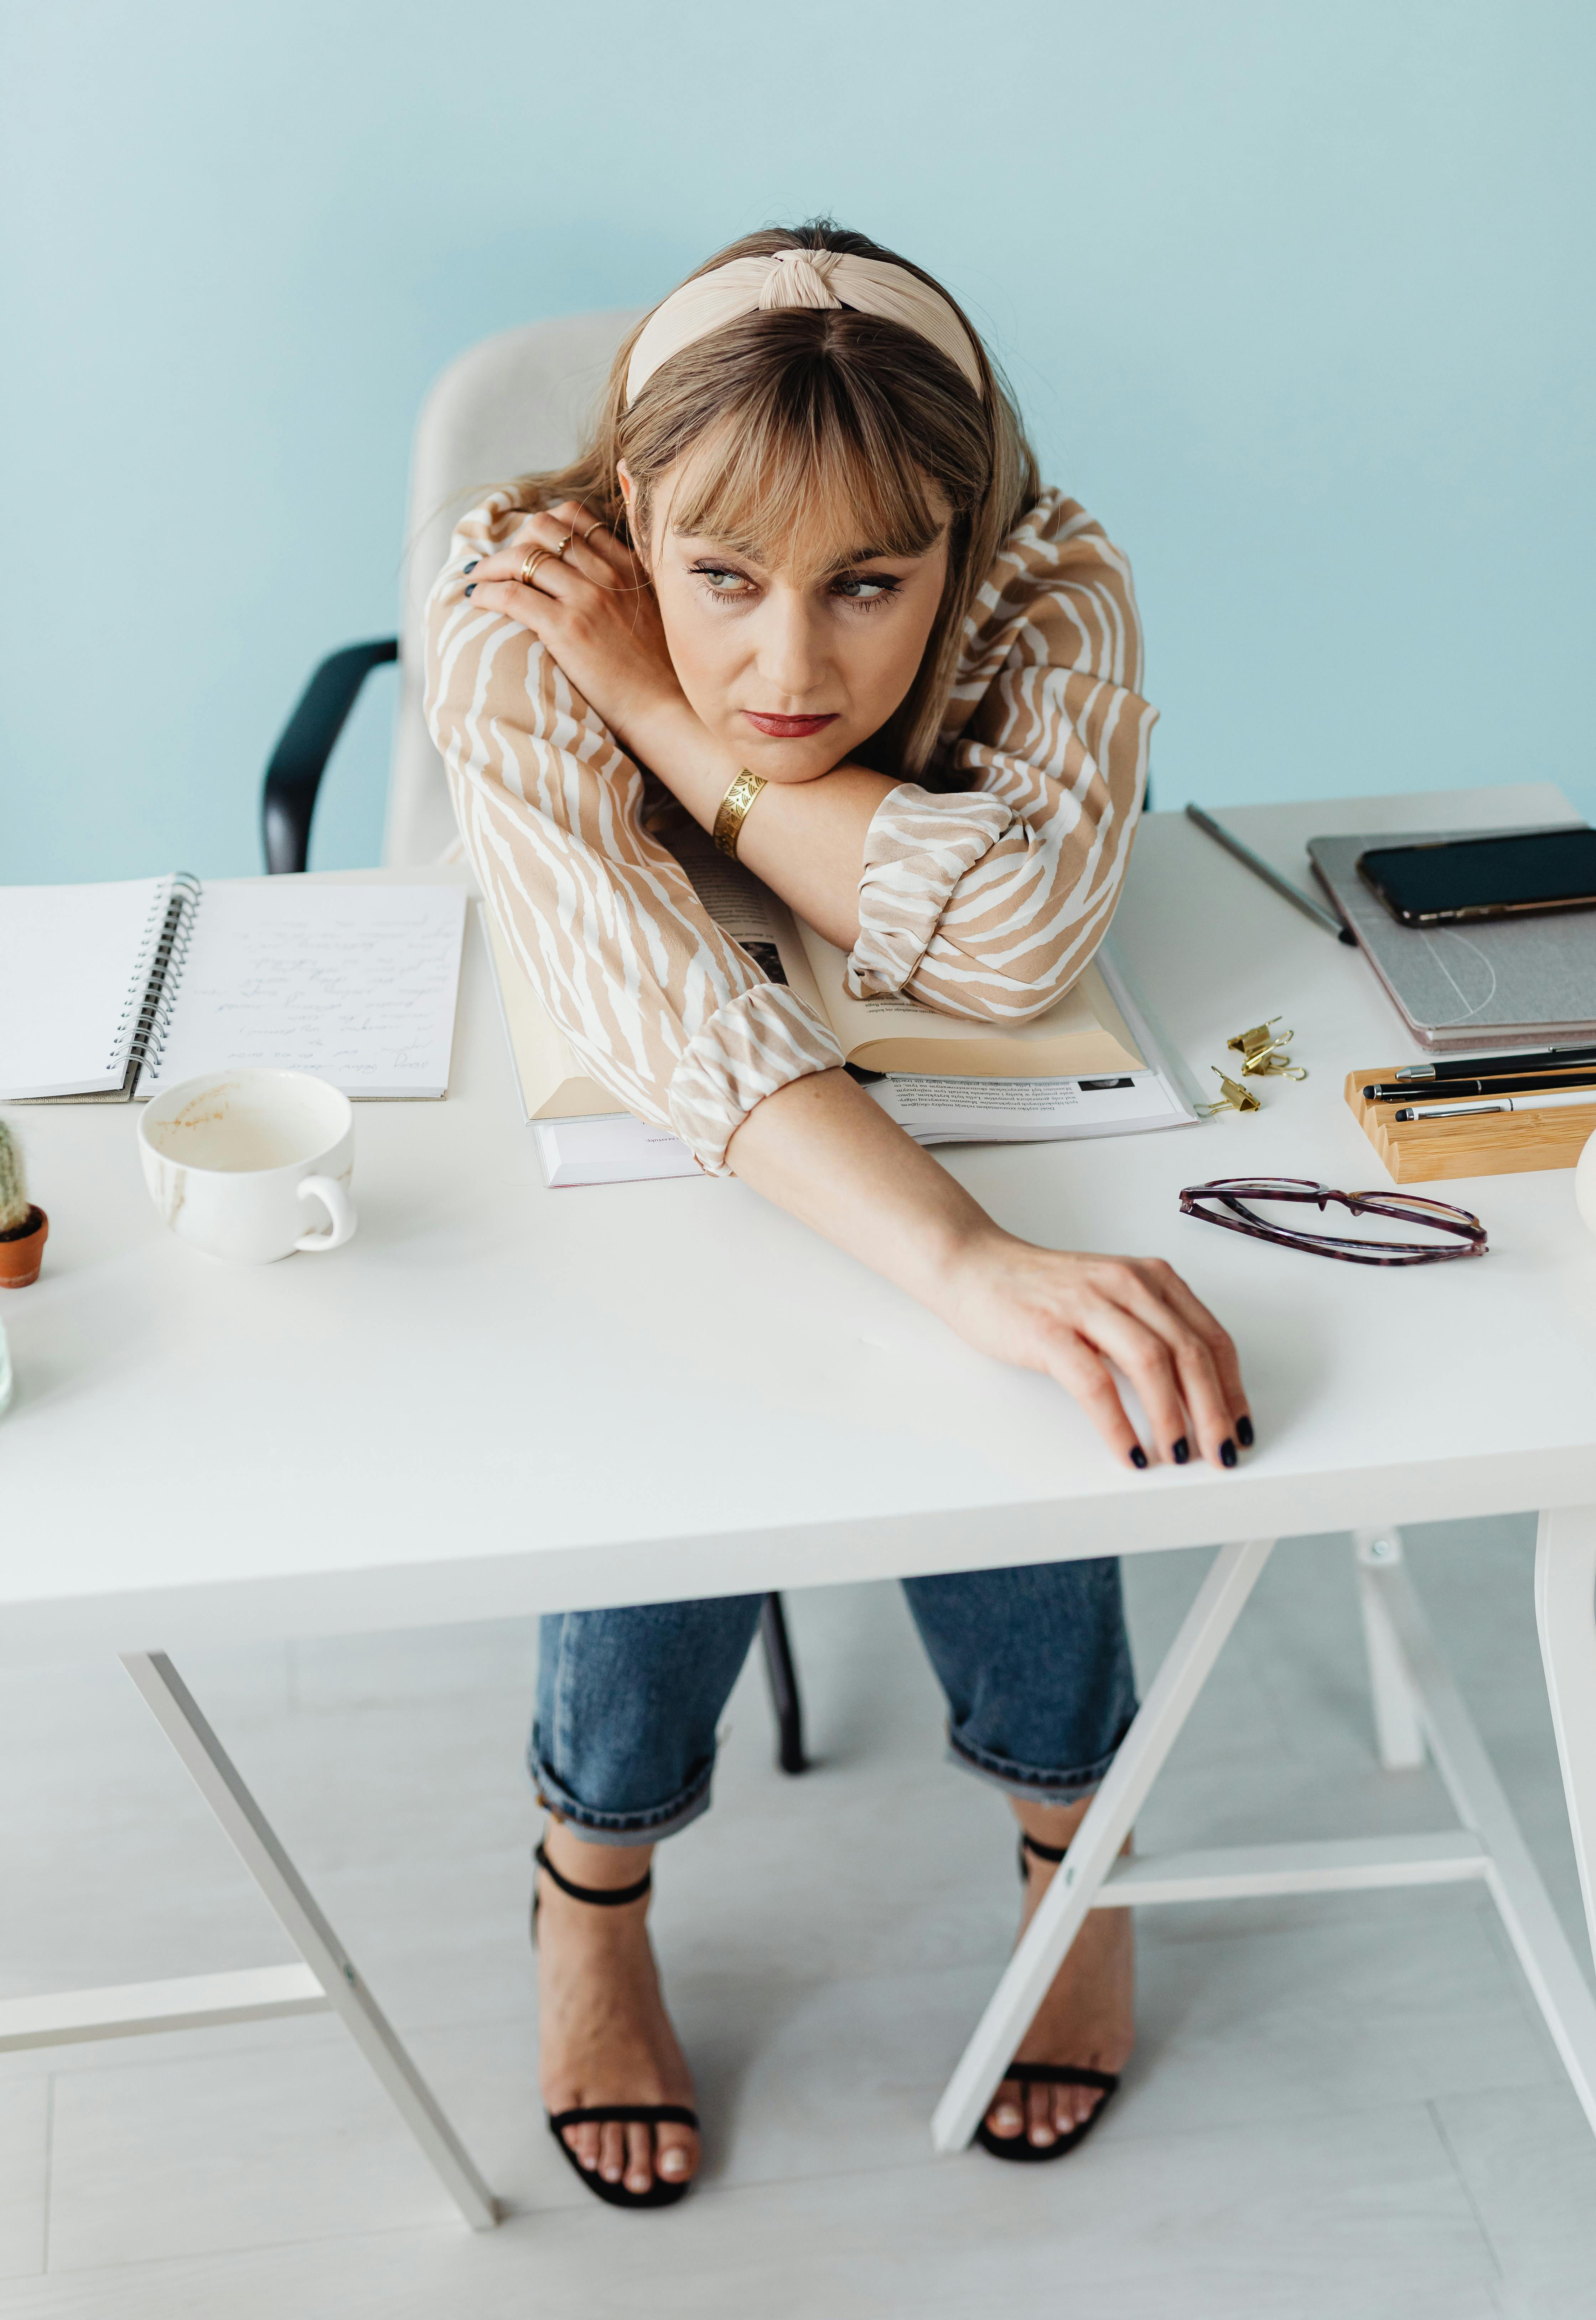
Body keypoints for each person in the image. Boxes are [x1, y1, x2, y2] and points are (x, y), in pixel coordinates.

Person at [425, 221, 1251, 2209]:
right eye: (716, 585)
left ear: (963, 545)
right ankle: (591, 1883)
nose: (791, 667)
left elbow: (1016, 934)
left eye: (870, 587)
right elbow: (662, 1011)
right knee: (669, 1418)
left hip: (996, 1127)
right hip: (645, 1176)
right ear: (630, 509)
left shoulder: (1055, 581)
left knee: (1054, 1387)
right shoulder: (521, 599)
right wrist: (965, 1262)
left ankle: (1078, 1843)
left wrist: (671, 712)